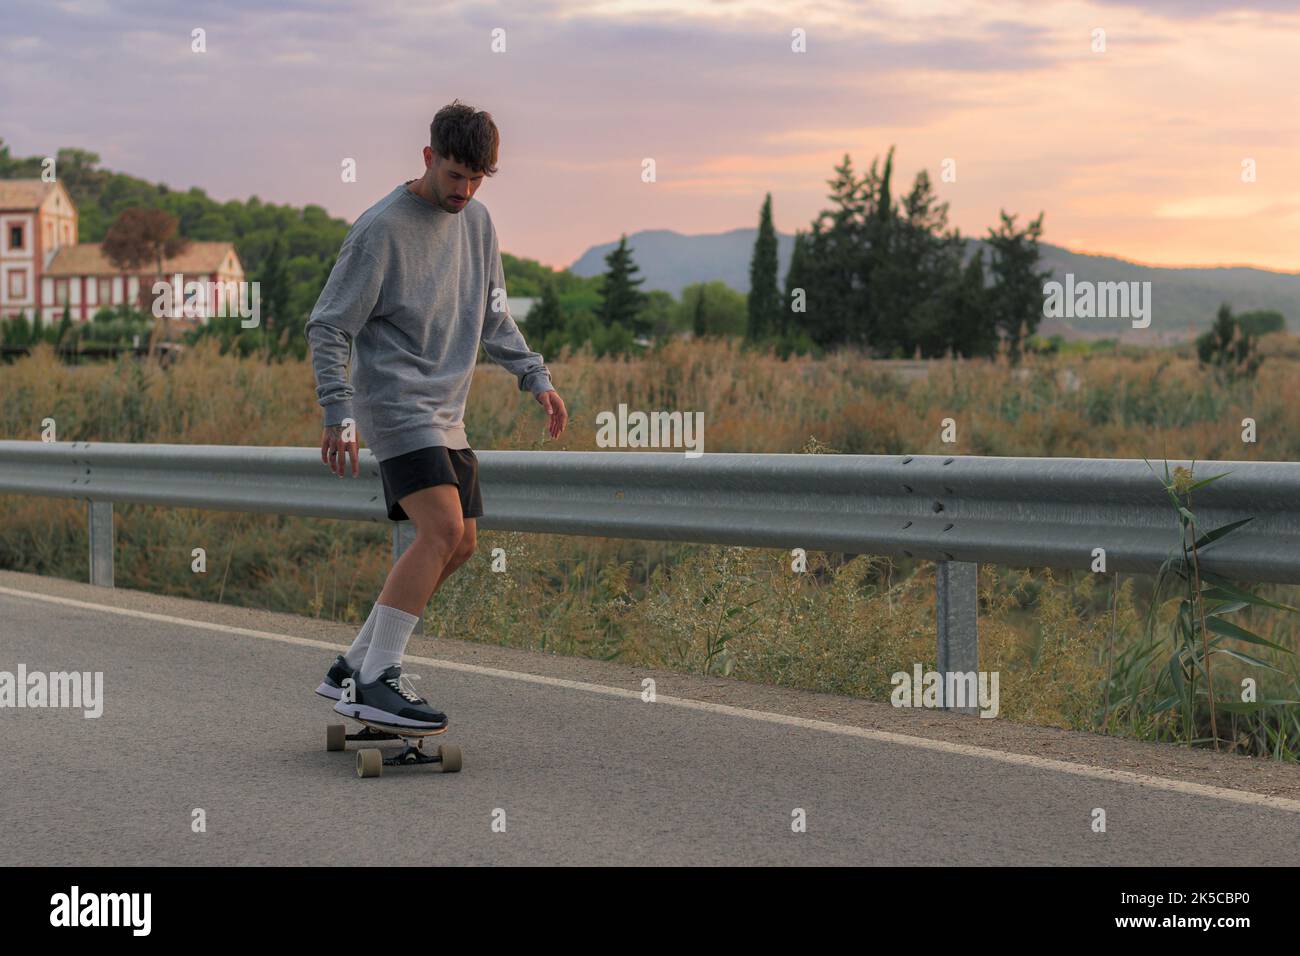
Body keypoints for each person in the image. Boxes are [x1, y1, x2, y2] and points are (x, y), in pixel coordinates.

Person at [304, 100, 568, 730]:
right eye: (455, 176)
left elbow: (494, 314)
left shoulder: (477, 222)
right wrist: (338, 410)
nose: (465, 191)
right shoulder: (380, 231)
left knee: (463, 542)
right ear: (428, 158)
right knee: (441, 529)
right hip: (394, 403)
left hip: (447, 409)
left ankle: (354, 664)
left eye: (479, 179)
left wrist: (534, 375)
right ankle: (375, 681)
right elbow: (328, 324)